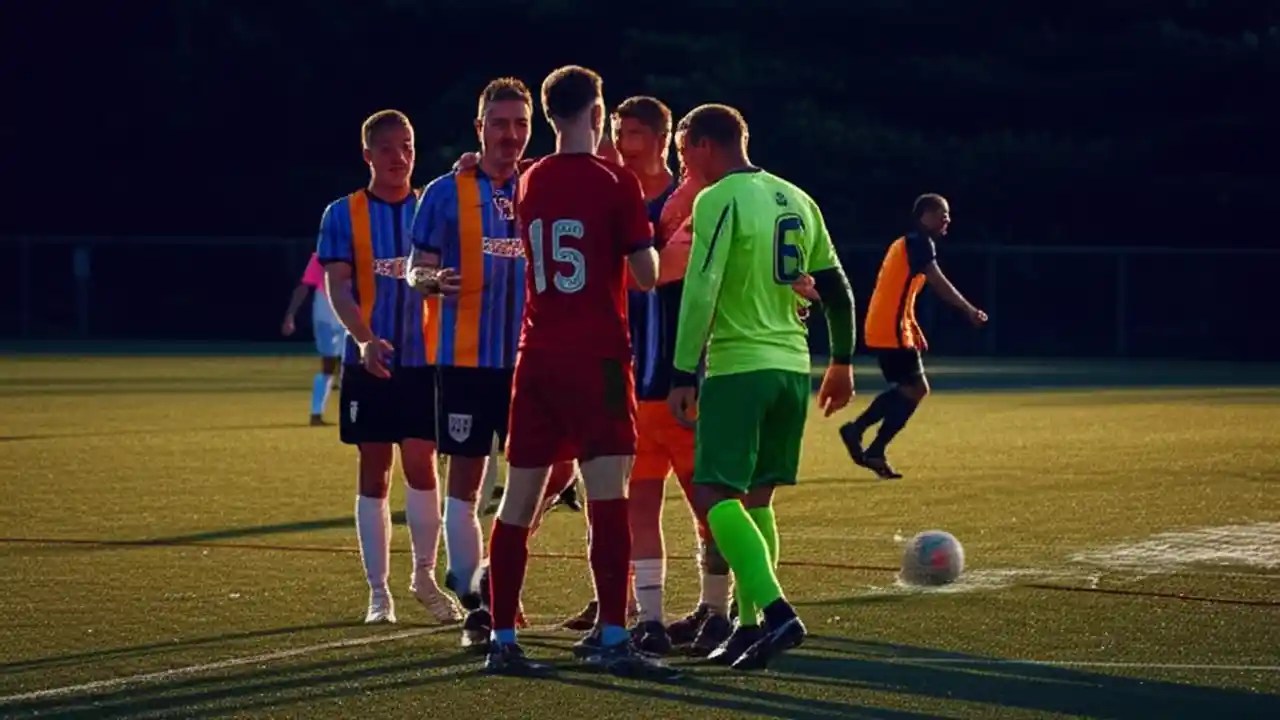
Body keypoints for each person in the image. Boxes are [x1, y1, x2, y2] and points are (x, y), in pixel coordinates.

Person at [479, 64, 673, 678]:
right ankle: (614, 636)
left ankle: (502, 637)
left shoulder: (532, 178)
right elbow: (643, 277)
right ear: (597, 112)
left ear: (547, 115)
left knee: (518, 503)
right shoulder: (615, 181)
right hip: (597, 357)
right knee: (608, 500)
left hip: (535, 358)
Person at [668, 103, 857, 670]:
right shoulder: (798, 198)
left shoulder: (718, 198)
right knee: (757, 500)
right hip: (790, 367)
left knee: (714, 496)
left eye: (684, 152)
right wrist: (842, 361)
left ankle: (777, 613)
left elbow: (701, 289)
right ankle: (749, 628)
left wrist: (681, 371)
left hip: (739, 365)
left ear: (705, 144)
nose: (685, 166)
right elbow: (839, 290)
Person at [560, 96, 731, 659]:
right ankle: (649, 615)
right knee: (637, 498)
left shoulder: (687, 202)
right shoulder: (613, 192)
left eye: (629, 133)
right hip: (624, 371)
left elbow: (664, 274)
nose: (619, 142)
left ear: (659, 139)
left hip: (683, 372)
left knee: (709, 501)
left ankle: (719, 609)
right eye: (616, 131)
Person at [409, 78, 578, 648]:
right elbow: (416, 269)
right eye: (500, 124)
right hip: (465, 361)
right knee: (465, 477)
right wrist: (433, 281)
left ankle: (489, 575)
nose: (510, 135)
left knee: (555, 469)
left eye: (521, 125)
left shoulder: (540, 182)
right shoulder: (443, 192)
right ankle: (477, 600)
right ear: (479, 128)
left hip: (534, 358)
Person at [316, 109, 461, 626]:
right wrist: (363, 338)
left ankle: (423, 575)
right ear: (368, 155)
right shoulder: (342, 213)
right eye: (387, 149)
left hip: (424, 361)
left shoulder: (433, 207)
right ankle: (378, 592)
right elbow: (338, 284)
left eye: (408, 146)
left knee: (422, 463)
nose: (399, 158)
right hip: (370, 359)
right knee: (374, 469)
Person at [839, 194, 988, 479]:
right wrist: (968, 309)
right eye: (940, 213)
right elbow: (938, 282)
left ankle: (861, 436)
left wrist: (912, 325)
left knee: (911, 389)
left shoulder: (909, 242)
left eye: (947, 213)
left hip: (890, 328)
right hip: (890, 330)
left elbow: (900, 292)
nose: (947, 218)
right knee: (915, 389)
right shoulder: (919, 242)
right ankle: (868, 442)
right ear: (923, 216)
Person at [281, 252, 345, 425]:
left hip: (351, 312)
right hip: (326, 315)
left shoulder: (360, 251)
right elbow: (304, 286)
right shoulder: (321, 256)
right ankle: (316, 414)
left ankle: (352, 414)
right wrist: (290, 315)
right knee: (328, 364)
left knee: (354, 365)